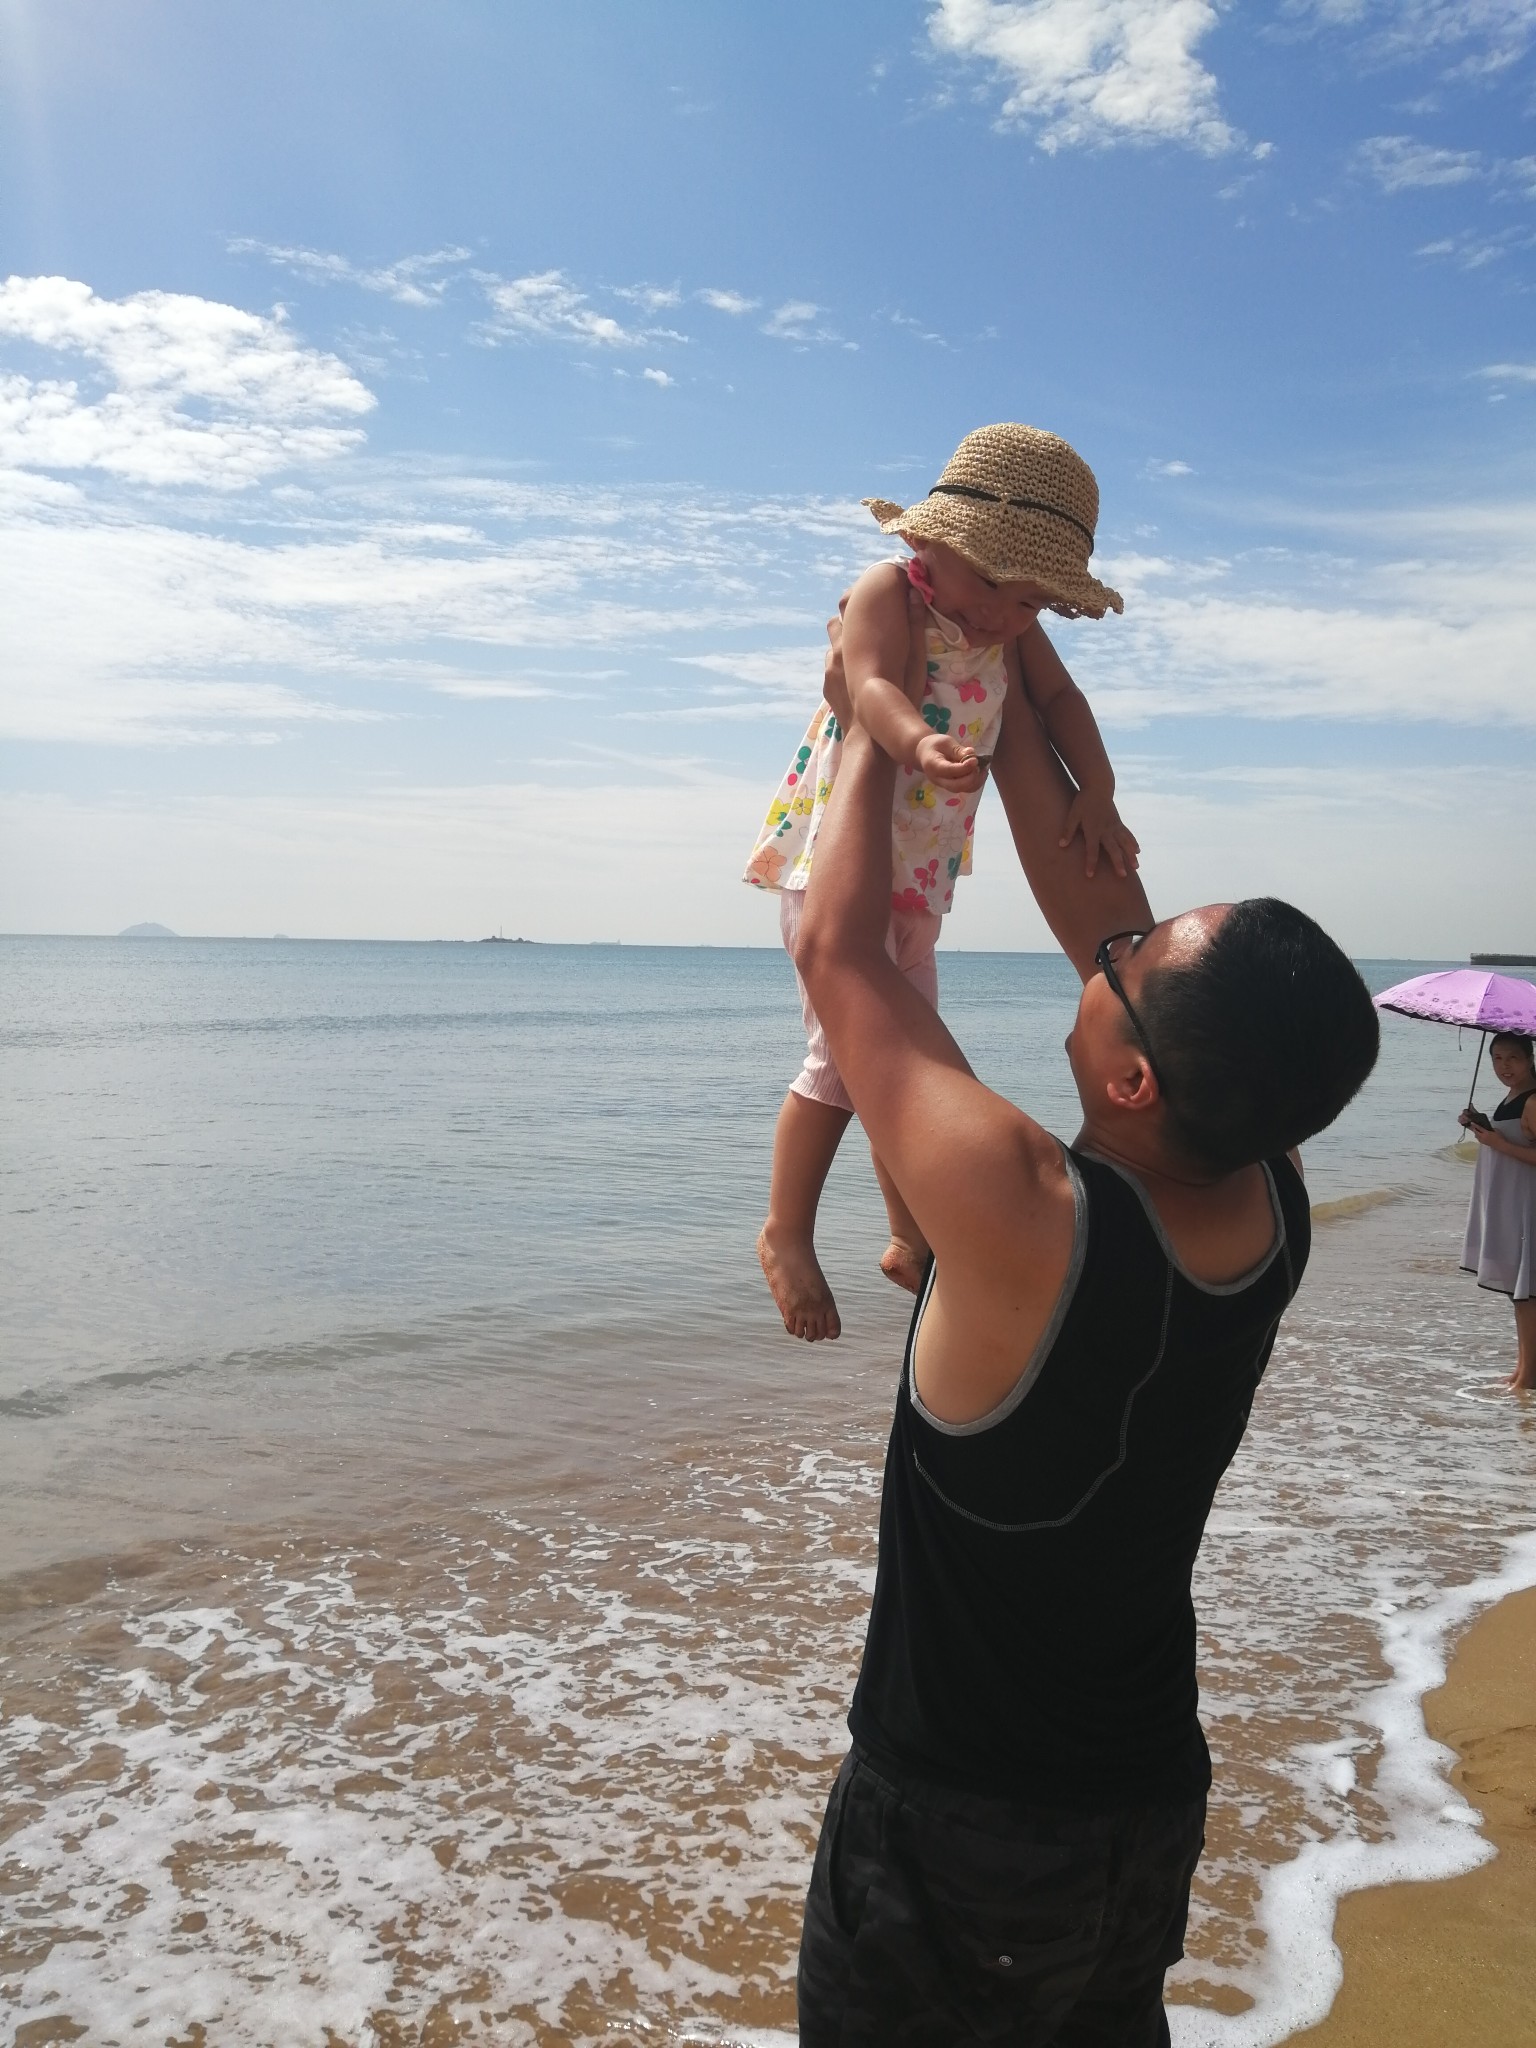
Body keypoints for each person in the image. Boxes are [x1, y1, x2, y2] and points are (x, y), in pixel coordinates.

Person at [789, 643, 1380, 2045]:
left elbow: (838, 956)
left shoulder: (1027, 1211)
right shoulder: (1271, 1194)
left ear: (1129, 1078)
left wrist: (872, 710)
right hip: (1142, 1797)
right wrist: (992, 706)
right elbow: (1109, 917)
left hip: (962, 1826)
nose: (1111, 948)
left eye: (1125, 967)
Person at [746, 423, 1141, 1342]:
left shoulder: (1010, 634)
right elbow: (868, 684)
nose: (1005, 615)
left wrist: (1098, 792)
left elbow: (1062, 704)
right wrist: (917, 742)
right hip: (835, 862)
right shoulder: (893, 591)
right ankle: (786, 1230)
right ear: (935, 543)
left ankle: (906, 1233)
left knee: (903, 1058)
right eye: (995, 585)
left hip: (918, 877)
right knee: (841, 1060)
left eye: (1031, 601)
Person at [1460, 1030, 1536, 1391]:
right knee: (1519, 1293)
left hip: (1527, 1202)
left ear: (1530, 1059)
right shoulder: (1512, 1097)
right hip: (1511, 1200)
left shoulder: (1532, 1100)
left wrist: (1497, 1142)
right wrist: (1480, 1125)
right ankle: (1523, 1369)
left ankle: (1529, 1377)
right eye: (1497, 1059)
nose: (1504, 1066)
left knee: (1527, 1292)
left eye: (1513, 1058)